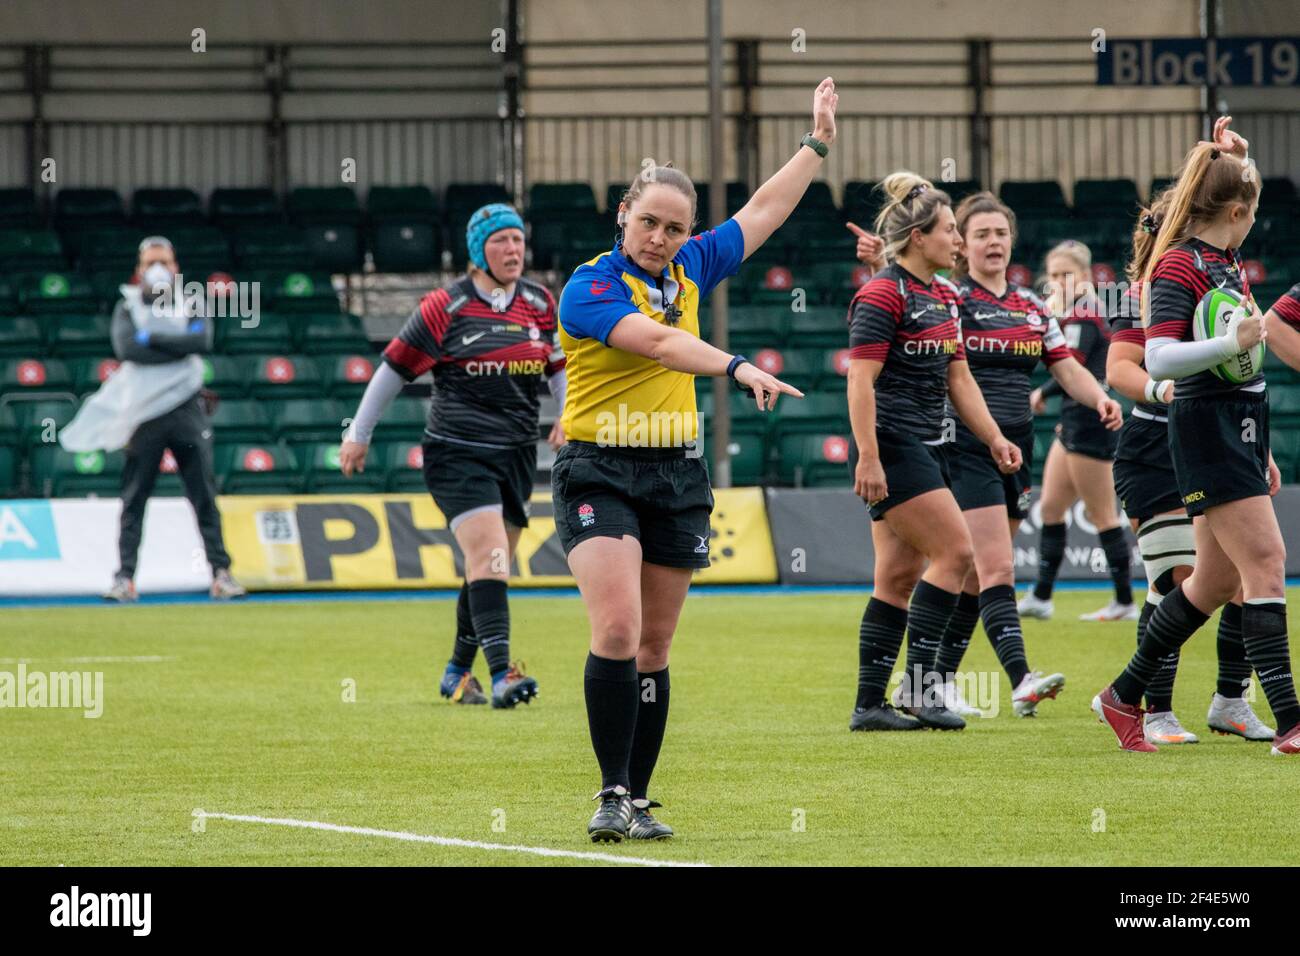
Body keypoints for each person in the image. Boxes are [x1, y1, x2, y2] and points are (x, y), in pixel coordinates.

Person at [555, 79, 831, 842]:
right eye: (650, 222)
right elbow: (661, 343)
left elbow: (763, 211)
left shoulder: (689, 269)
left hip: (676, 474)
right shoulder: (590, 286)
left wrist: (814, 145)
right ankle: (609, 791)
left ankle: (639, 798)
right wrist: (739, 366)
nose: (662, 238)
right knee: (615, 629)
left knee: (655, 644)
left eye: (676, 229)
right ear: (624, 215)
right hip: (600, 468)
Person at [1093, 117, 1300, 755]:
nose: (1253, 226)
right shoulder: (1179, 263)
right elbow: (1157, 361)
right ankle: (1293, 722)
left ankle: (1121, 697)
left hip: (1238, 425)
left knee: (1211, 582)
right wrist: (1228, 342)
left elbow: (1216, 199)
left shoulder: (1223, 256)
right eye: (1249, 211)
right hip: (1205, 425)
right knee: (1265, 564)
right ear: (1236, 211)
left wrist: (1229, 157)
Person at [339, 203, 565, 709]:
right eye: (500, 241)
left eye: (518, 241)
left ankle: (457, 672)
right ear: (477, 251)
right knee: (490, 556)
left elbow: (556, 367)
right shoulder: (445, 307)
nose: (513, 250)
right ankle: (503, 672)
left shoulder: (539, 302)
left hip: (515, 454)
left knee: (488, 564)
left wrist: (569, 414)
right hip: (456, 453)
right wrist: (359, 432)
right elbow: (392, 370)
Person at [907, 192, 1121, 719]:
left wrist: (1098, 396)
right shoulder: (951, 300)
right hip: (966, 445)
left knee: (976, 578)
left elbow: (1065, 365)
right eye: (980, 234)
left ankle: (934, 683)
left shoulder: (1031, 306)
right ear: (962, 244)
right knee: (996, 564)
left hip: (1017, 450)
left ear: (1012, 240)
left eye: (1000, 233)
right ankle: (1022, 680)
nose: (993, 242)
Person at [846, 172, 1023, 734]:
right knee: (958, 554)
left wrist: (994, 437)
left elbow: (960, 379)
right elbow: (860, 382)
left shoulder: (943, 294)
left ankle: (869, 706)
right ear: (920, 237)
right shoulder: (883, 292)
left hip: (929, 447)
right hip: (896, 447)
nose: (959, 241)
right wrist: (869, 457)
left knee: (896, 579)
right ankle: (921, 692)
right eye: (951, 230)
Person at [1107, 253, 1273, 744]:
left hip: (1214, 443)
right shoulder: (1142, 289)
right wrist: (1165, 392)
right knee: (1176, 578)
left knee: (1240, 579)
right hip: (1154, 451)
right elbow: (1118, 369)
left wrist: (1259, 449)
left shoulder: (1224, 279)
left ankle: (1230, 701)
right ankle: (1154, 709)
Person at [60, 235, 245, 602]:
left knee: (203, 494)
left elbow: (200, 341)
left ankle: (221, 573)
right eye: (150, 263)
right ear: (139, 270)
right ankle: (125, 578)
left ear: (176, 268)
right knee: (134, 497)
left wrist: (151, 339)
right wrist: (171, 343)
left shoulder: (192, 301)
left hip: (187, 410)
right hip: (144, 415)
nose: (158, 269)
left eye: (165, 261)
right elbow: (128, 349)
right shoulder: (127, 307)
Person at [1019, 240, 1135, 622]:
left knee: (1103, 514)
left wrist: (1042, 391)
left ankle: (1124, 601)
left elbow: (1073, 365)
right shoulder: (1071, 313)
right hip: (1070, 423)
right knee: (1051, 508)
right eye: (1052, 275)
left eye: (1066, 274)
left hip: (1090, 423)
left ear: (1085, 277)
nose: (1058, 281)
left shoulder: (1086, 313)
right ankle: (1041, 597)